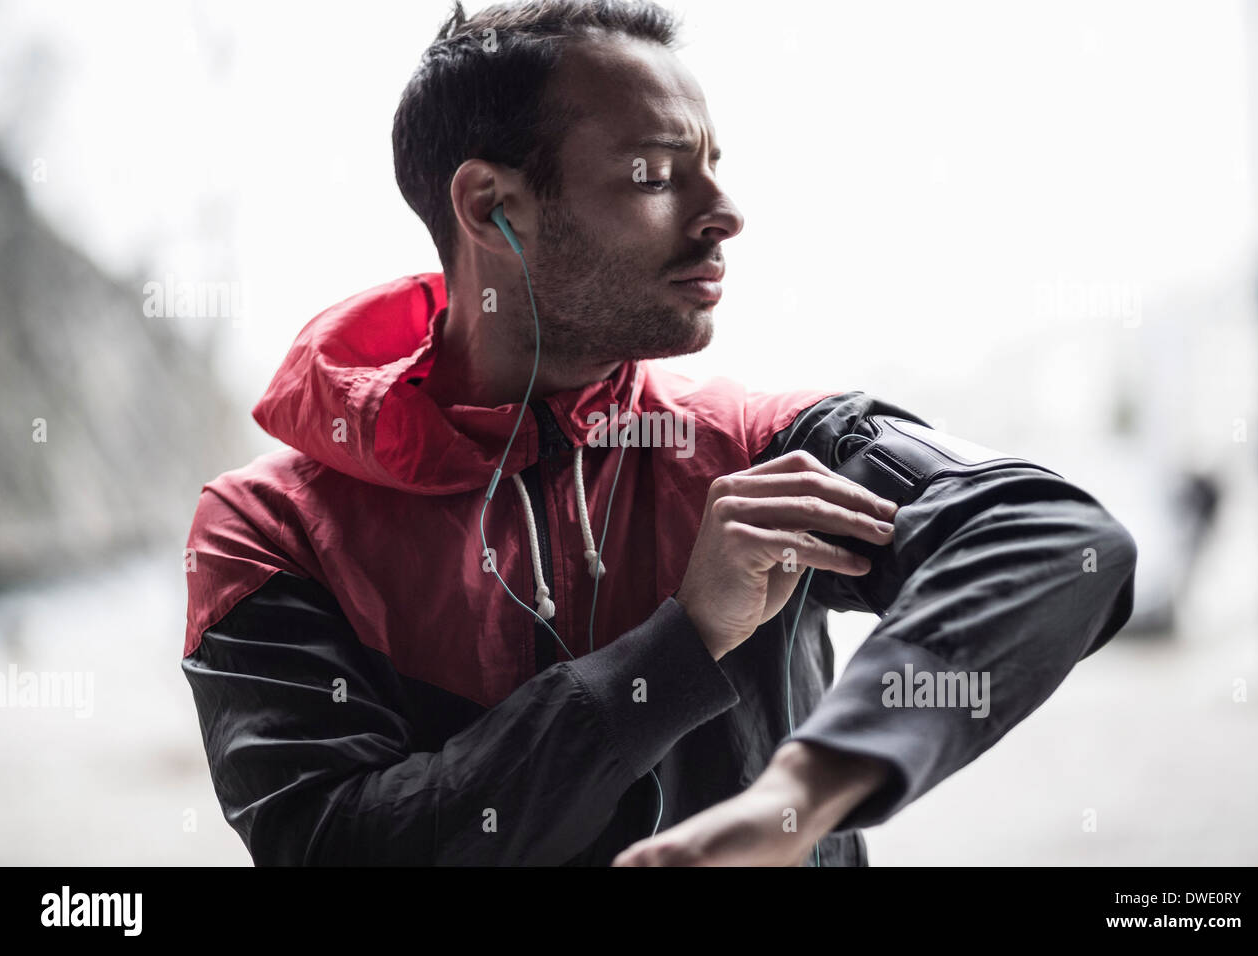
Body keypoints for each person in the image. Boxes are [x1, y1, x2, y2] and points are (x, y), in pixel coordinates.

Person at [181, 0, 1137, 866]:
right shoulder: (269, 532)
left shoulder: (759, 441)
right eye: (658, 175)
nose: (723, 215)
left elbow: (1058, 540)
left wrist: (797, 798)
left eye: (713, 168)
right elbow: (338, 849)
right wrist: (679, 647)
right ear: (491, 208)